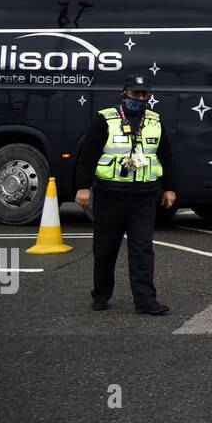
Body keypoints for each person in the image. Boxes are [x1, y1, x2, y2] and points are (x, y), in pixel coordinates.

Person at [74, 75, 177, 314]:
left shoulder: (155, 121)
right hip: (110, 195)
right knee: (106, 248)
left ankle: (145, 301)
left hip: (144, 196)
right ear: (124, 94)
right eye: (135, 94)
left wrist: (170, 188)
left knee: (142, 250)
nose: (140, 99)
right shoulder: (105, 120)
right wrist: (83, 187)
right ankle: (101, 295)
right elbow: (88, 155)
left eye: (144, 95)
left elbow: (166, 156)